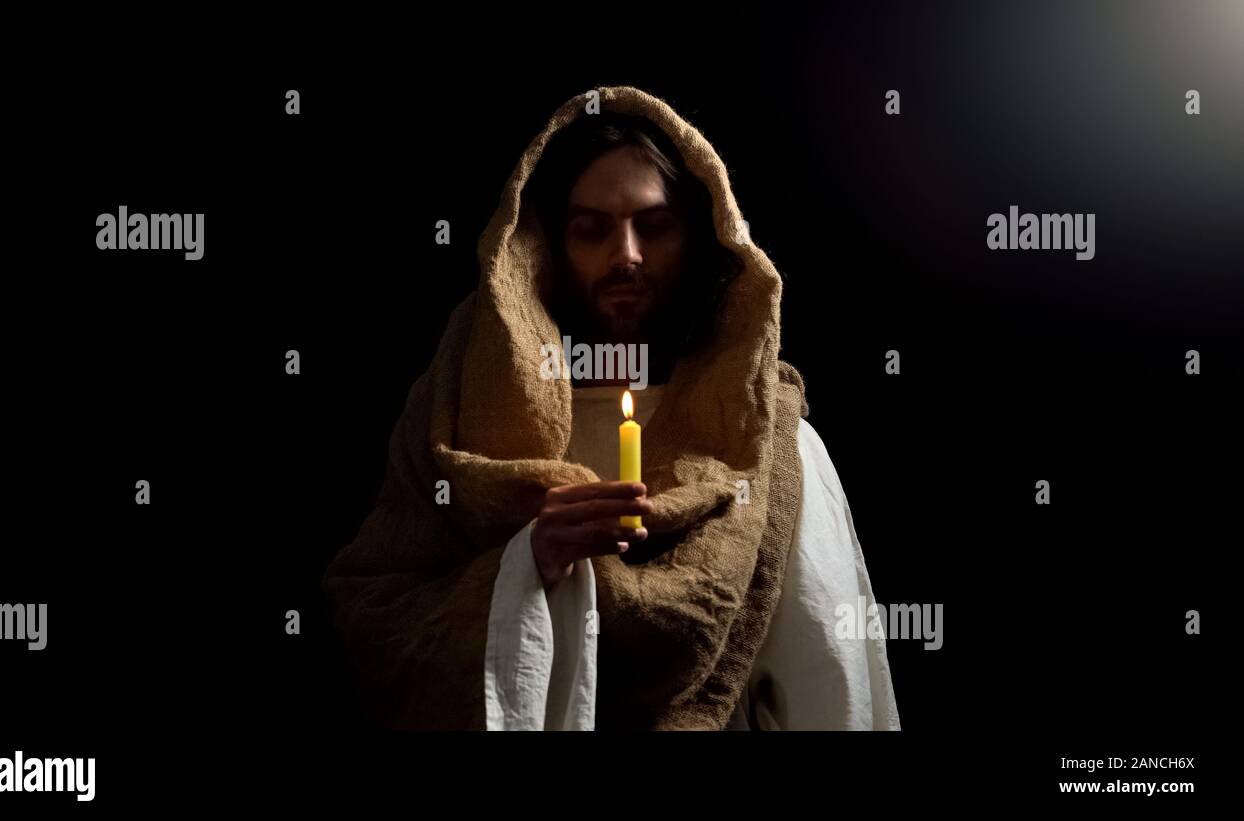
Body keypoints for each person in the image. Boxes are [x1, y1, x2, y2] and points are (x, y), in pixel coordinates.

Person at [324, 86, 901, 731]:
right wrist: (530, 563)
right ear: (545, 248)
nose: (626, 255)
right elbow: (377, 616)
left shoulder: (772, 443)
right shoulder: (458, 422)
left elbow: (828, 682)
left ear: (698, 238)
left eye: (653, 226)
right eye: (592, 229)